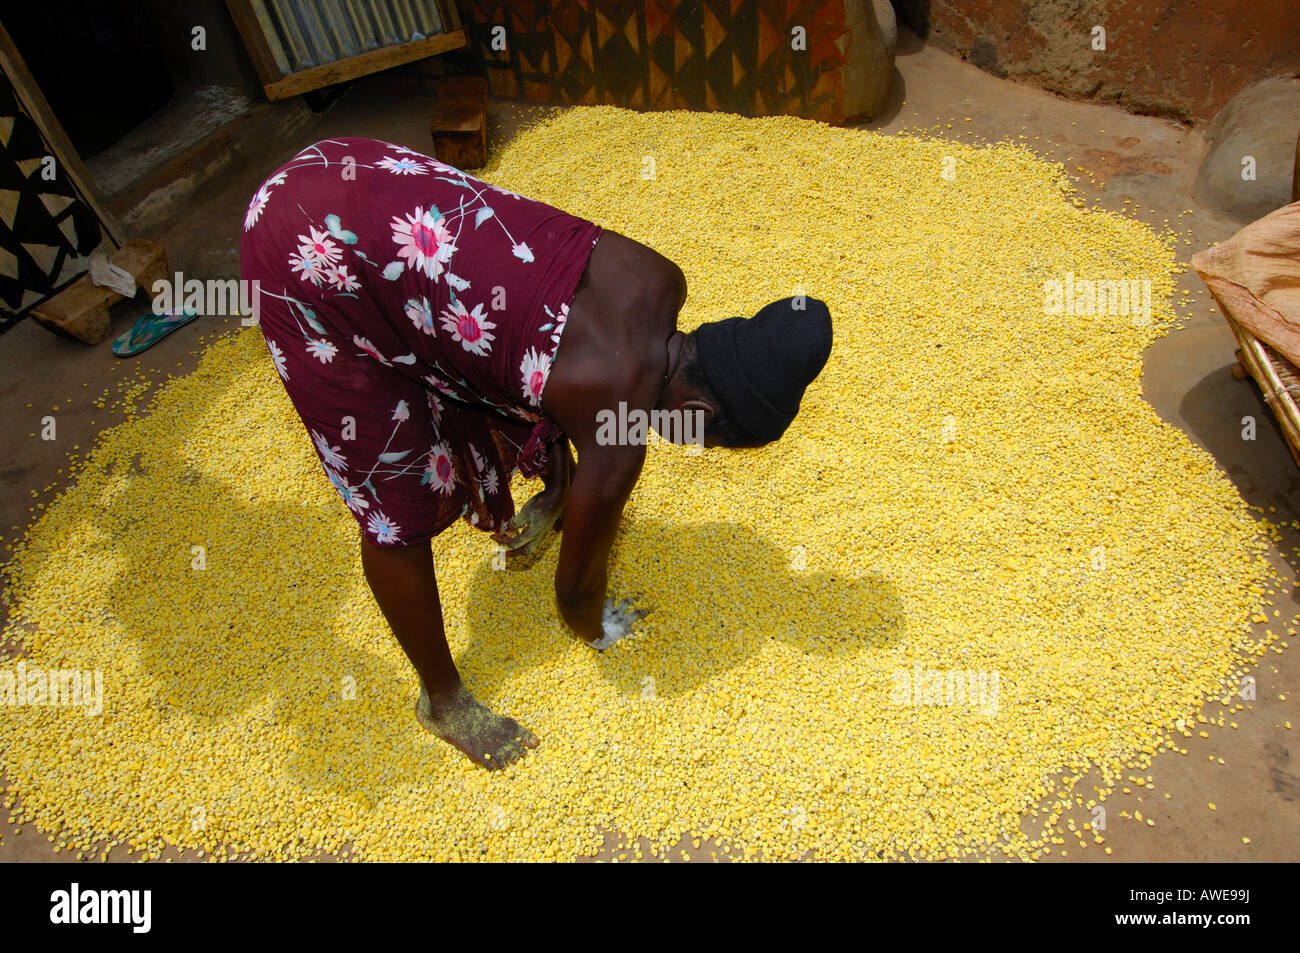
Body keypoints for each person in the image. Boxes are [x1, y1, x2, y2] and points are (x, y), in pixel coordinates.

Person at [239, 137, 832, 769]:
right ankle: (444, 701)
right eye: (705, 443)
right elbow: (574, 592)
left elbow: (536, 337)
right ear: (696, 415)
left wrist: (558, 493)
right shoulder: (617, 432)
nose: (687, 447)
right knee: (394, 504)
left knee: (488, 364)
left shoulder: (659, 279)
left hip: (350, 172)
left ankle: (537, 497)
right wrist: (597, 625)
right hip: (306, 258)